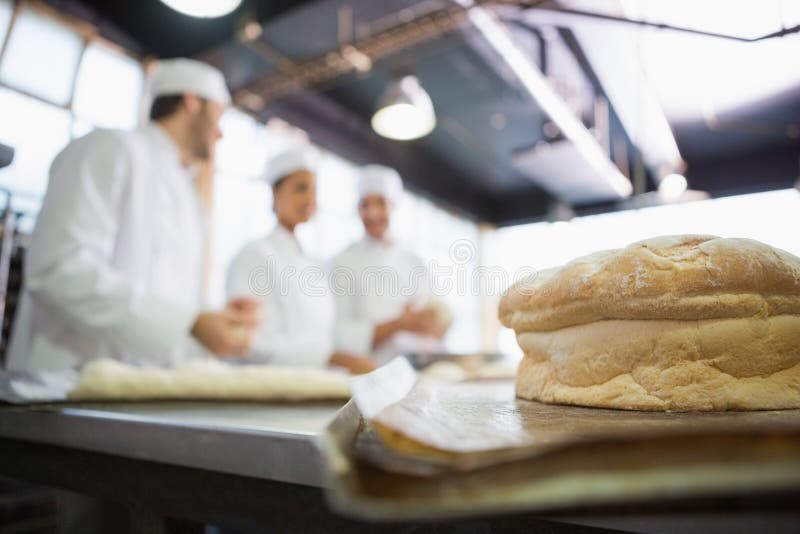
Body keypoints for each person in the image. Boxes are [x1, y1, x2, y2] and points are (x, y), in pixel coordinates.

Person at [6, 58, 259, 372]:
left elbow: (163, 301)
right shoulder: (110, 148)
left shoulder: (187, 193)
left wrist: (211, 318)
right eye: (219, 116)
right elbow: (58, 269)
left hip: (140, 386)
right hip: (65, 383)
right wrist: (189, 321)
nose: (220, 134)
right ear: (191, 101)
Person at [226, 146, 375, 374]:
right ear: (276, 194)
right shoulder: (255, 255)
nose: (310, 198)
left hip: (314, 386)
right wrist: (330, 357)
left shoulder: (315, 265)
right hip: (269, 390)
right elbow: (251, 343)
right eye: (301, 189)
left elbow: (325, 334)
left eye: (314, 190)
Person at [332, 165, 450, 365]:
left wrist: (434, 324)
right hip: (370, 373)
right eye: (364, 205)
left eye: (380, 203)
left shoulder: (414, 261)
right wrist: (398, 324)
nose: (372, 213)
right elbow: (339, 335)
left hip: (418, 370)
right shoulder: (343, 262)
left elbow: (436, 325)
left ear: (393, 205)